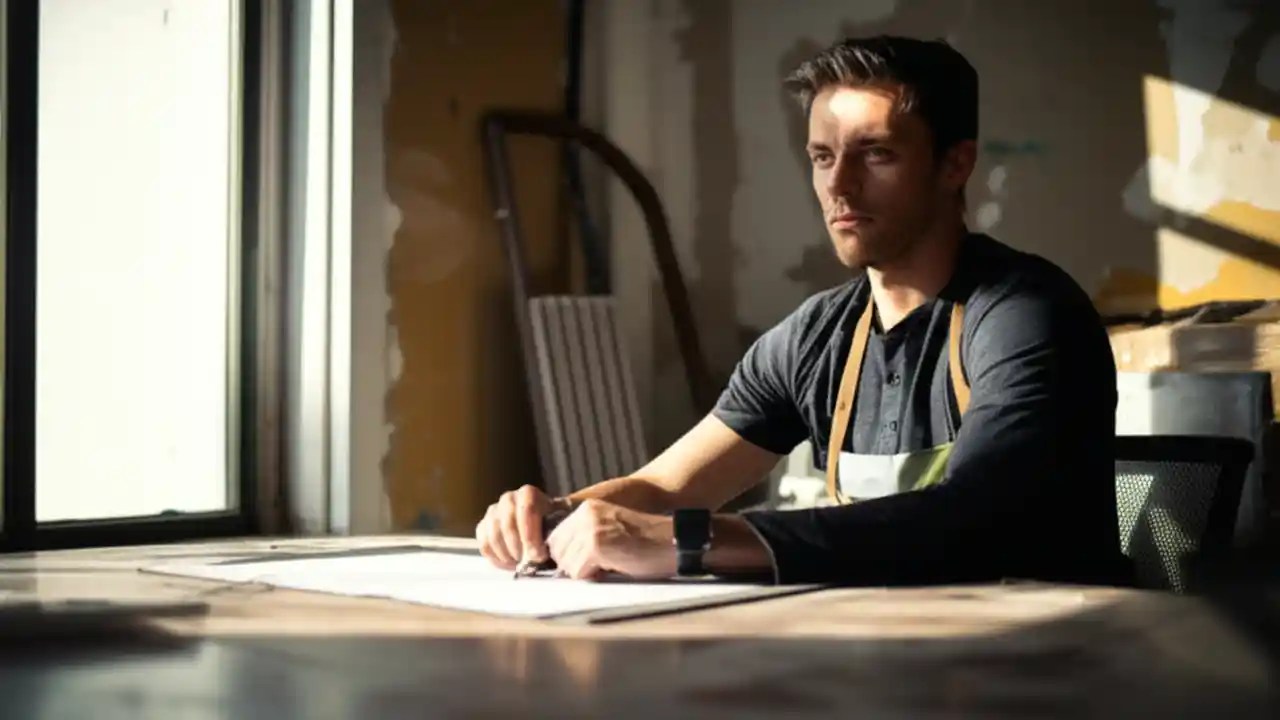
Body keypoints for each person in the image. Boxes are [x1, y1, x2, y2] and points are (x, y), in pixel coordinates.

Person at [477, 35, 1131, 586]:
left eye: (875, 153)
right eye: (823, 157)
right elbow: (668, 489)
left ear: (954, 164)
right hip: (902, 659)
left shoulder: (1025, 317)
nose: (839, 187)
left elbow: (973, 517)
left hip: (1049, 669)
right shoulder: (816, 338)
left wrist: (690, 542)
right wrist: (554, 516)